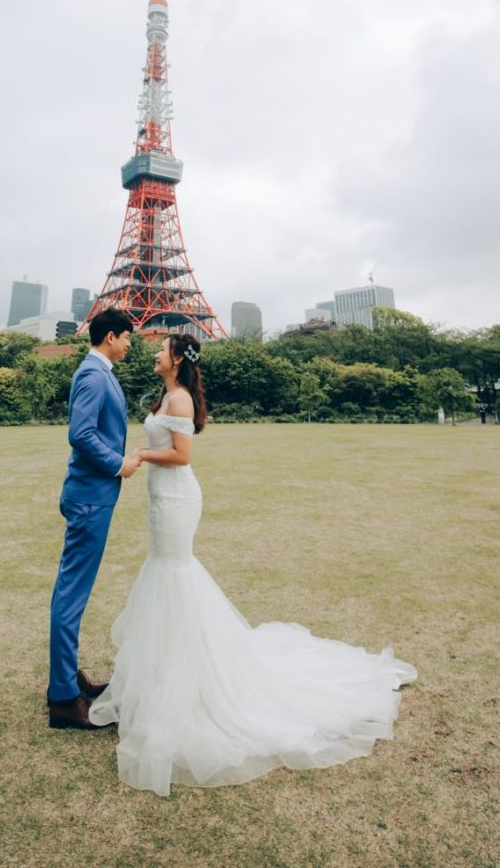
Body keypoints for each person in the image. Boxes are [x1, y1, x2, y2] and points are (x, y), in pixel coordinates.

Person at [89, 334, 418, 797]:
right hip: (163, 498)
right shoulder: (167, 395)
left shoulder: (179, 399)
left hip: (177, 497)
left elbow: (183, 456)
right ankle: (172, 670)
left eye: (161, 349)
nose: (154, 353)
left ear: (178, 359)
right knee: (167, 574)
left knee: (174, 574)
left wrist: (140, 453)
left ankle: (193, 675)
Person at [47, 308, 141, 730]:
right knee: (71, 596)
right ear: (109, 337)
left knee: (74, 593)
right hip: (90, 497)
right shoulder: (93, 374)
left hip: (92, 495)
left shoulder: (99, 370)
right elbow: (81, 434)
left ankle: (67, 681)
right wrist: (117, 464)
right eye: (127, 338)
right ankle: (64, 699)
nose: (129, 345)